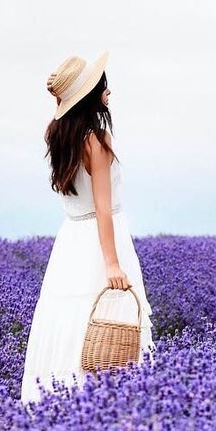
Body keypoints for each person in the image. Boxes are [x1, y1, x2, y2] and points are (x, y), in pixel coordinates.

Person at [20, 50, 156, 407]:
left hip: (70, 244)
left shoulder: (58, 134)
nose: (109, 93)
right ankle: (110, 416)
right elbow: (103, 209)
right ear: (92, 94)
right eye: (104, 87)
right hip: (100, 240)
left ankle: (57, 412)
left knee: (70, 324)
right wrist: (111, 262)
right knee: (112, 329)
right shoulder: (97, 140)